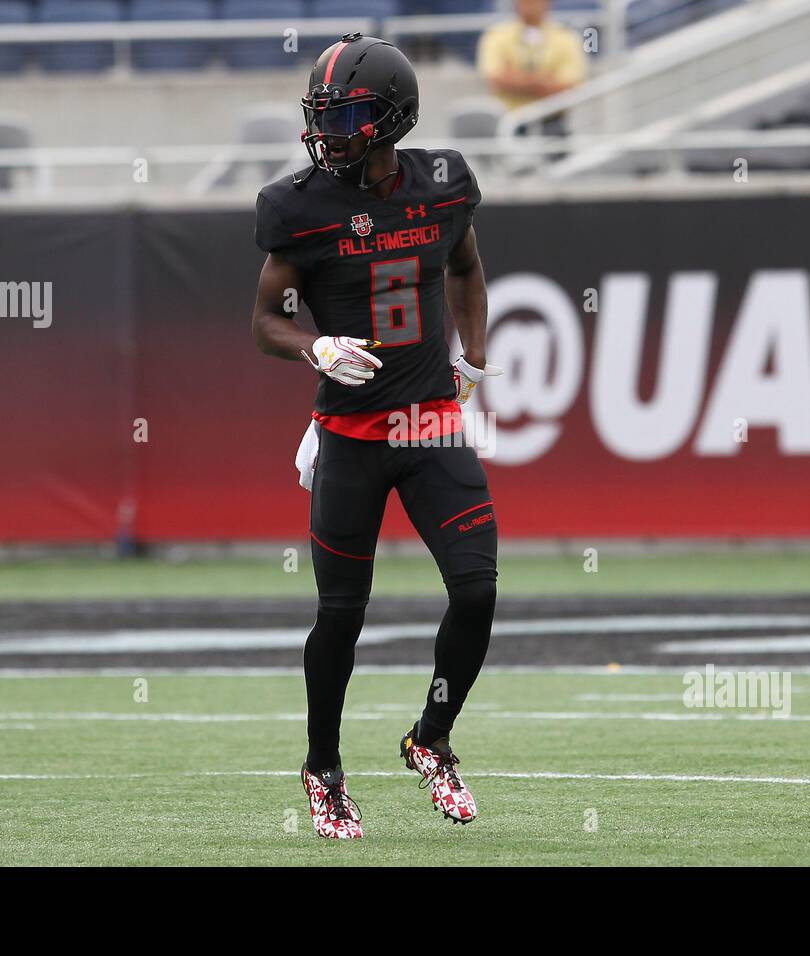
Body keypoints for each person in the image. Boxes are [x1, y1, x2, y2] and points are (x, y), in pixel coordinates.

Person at [251, 34, 501, 839]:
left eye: (349, 114)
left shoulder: (444, 181)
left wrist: (477, 363)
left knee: (477, 590)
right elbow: (265, 320)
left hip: (429, 422)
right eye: (324, 114)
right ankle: (323, 768)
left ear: (393, 118)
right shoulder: (297, 203)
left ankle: (431, 738)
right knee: (342, 613)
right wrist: (313, 346)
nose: (331, 131)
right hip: (350, 434)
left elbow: (463, 268)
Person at [478, 0, 588, 135]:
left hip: (552, 122)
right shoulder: (497, 34)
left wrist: (517, 78)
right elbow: (496, 78)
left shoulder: (566, 37)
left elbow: (568, 87)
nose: (530, 5)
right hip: (509, 122)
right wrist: (543, 81)